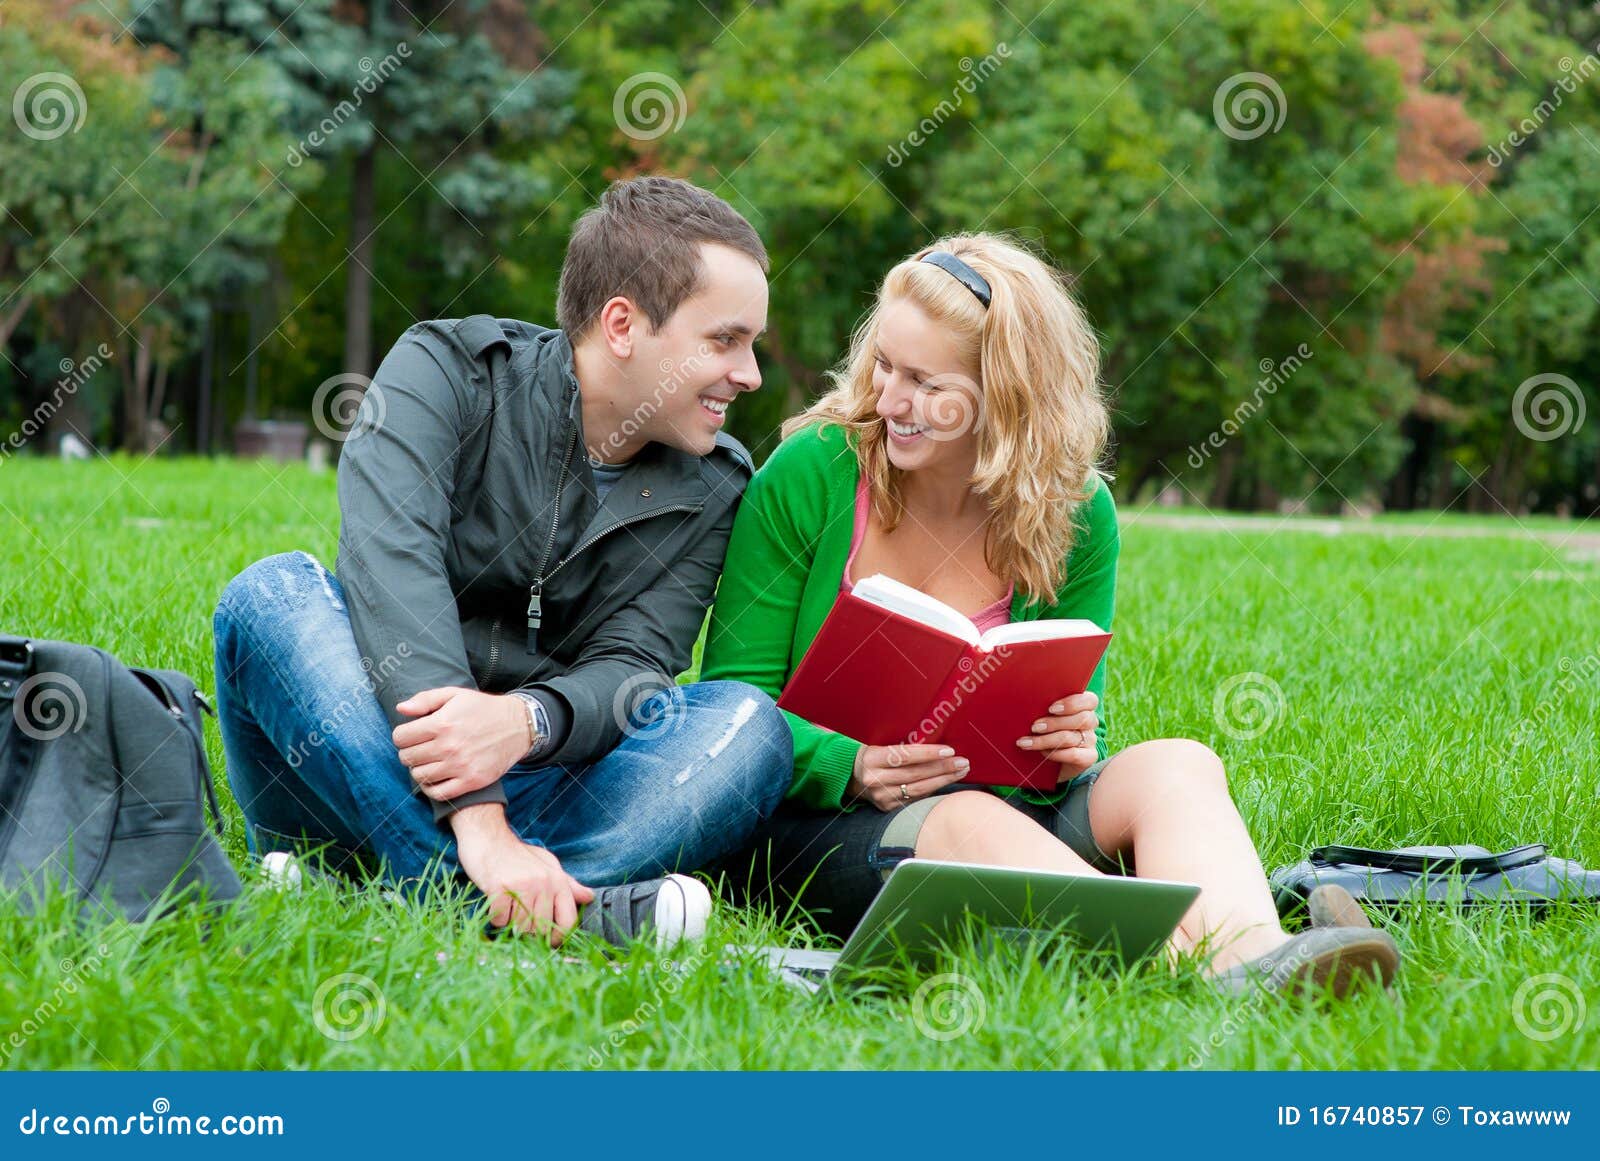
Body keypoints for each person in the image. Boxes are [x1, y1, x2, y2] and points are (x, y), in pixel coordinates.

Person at [701, 233, 1399, 996]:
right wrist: (855, 765)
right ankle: (1213, 968)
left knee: (1178, 763)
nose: (889, 400)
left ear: (1004, 394)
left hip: (1005, 820)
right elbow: (731, 709)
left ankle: (1262, 952)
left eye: (926, 383)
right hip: (814, 828)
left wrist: (1066, 747)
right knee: (968, 815)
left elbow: (1055, 751)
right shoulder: (813, 472)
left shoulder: (1075, 511)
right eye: (885, 366)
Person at [214, 176, 793, 949]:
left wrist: (525, 721)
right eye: (724, 340)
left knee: (748, 726)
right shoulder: (443, 372)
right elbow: (395, 574)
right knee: (273, 594)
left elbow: (639, 663)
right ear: (623, 323)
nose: (749, 373)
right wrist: (480, 818)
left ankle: (401, 892)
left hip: (551, 782)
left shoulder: (714, 482)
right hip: (368, 753)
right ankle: (554, 904)